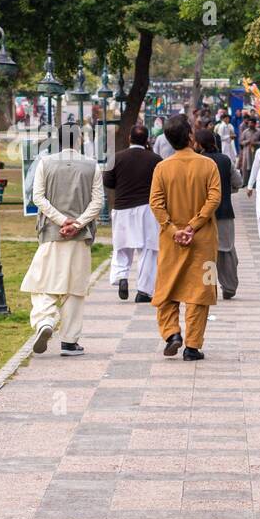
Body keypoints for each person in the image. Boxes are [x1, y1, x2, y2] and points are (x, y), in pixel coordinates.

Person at [23, 124, 105, 356]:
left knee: (41, 282)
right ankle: (69, 341)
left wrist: (60, 221)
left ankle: (44, 321)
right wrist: (77, 224)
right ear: (79, 140)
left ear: (57, 140)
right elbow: (97, 203)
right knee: (75, 288)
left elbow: (38, 197)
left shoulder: (45, 164)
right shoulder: (92, 166)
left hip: (51, 233)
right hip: (80, 236)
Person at [149, 114, 222, 361]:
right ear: (191, 136)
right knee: (200, 294)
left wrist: (174, 229)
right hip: (204, 241)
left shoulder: (162, 168)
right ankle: (192, 346)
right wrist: (194, 225)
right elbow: (214, 198)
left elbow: (156, 204)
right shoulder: (208, 165)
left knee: (166, 289)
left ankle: (171, 334)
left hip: (171, 242)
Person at [103, 122, 162, 302]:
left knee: (122, 247)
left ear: (129, 138)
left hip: (122, 207)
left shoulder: (117, 157)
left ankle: (121, 277)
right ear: (147, 140)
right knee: (147, 250)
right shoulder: (155, 159)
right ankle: (144, 291)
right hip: (147, 208)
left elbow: (108, 181)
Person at [196, 128, 243, 300]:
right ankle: (229, 286)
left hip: (201, 214)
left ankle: (209, 287)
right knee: (227, 250)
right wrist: (227, 190)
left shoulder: (197, 161)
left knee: (205, 252)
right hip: (224, 212)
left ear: (199, 144)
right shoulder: (225, 160)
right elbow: (238, 182)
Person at [238, 115, 260, 183]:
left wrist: (256, 143)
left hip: (256, 152)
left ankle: (255, 182)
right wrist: (247, 141)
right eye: (249, 123)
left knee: (255, 167)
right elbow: (241, 141)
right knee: (245, 167)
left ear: (254, 124)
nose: (250, 124)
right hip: (247, 152)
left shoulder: (259, 132)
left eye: (251, 123)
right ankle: (244, 182)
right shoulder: (245, 132)